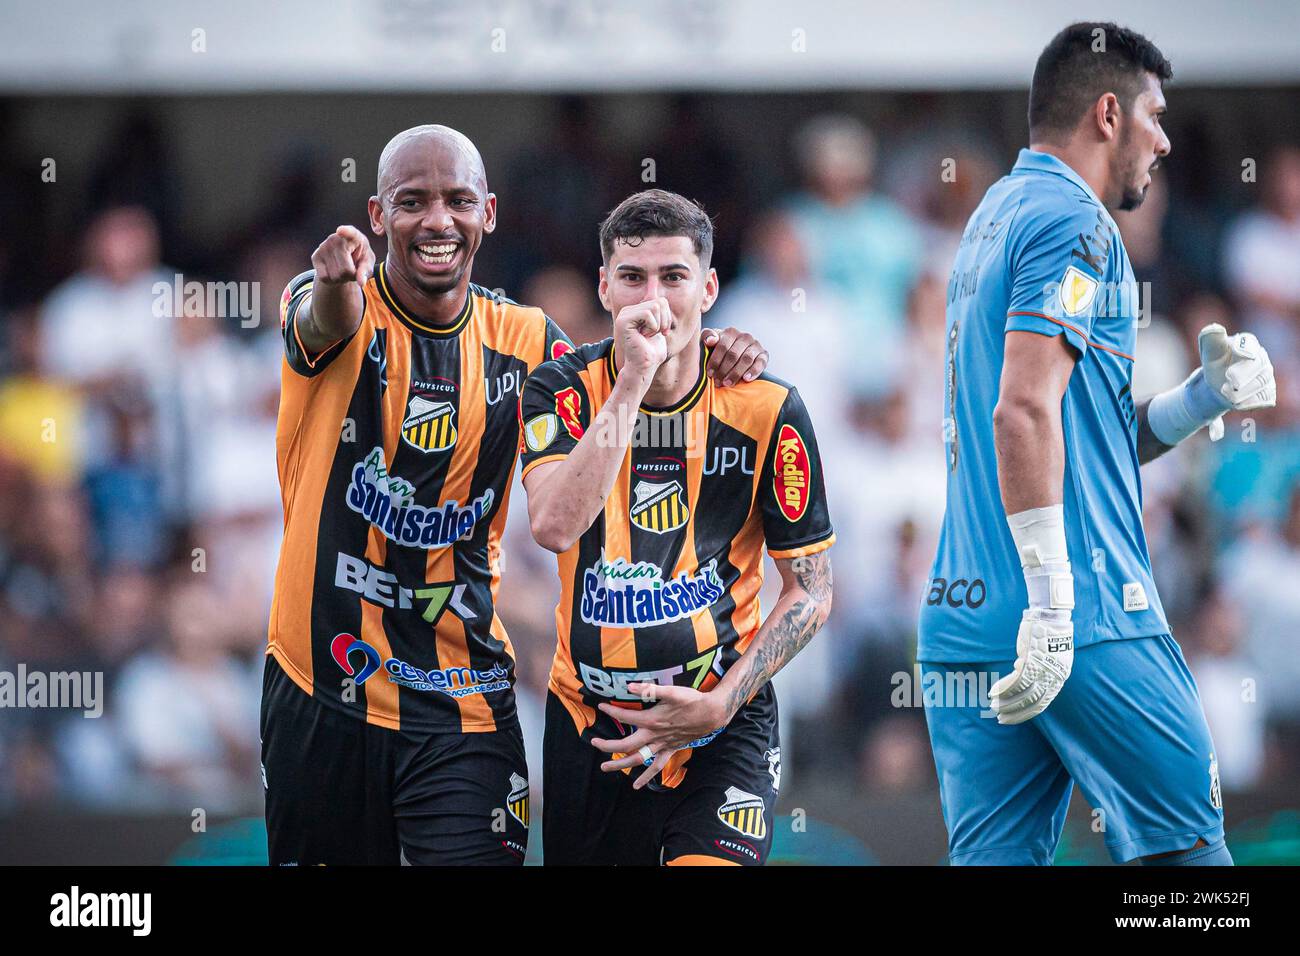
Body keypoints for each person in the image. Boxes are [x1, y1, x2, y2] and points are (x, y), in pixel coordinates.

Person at [261, 127, 767, 865]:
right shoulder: (336, 300)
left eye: (458, 200)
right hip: (322, 688)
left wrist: (713, 348)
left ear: (488, 214)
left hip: (461, 698)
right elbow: (320, 317)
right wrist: (337, 280)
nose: (437, 220)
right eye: (412, 202)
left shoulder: (529, 341)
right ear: (376, 216)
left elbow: (629, 384)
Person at [918, 23, 1276, 866]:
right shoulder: (1077, 227)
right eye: (1155, 114)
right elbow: (1023, 415)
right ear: (1108, 114)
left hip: (966, 617)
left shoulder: (993, 217)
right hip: (1086, 612)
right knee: (1190, 869)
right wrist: (1052, 606)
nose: (1165, 138)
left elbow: (1075, 433)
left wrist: (1200, 399)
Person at [518, 189, 834, 865]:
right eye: (633, 277)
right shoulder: (560, 389)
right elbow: (553, 526)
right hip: (591, 724)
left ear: (709, 287)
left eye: (674, 276)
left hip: (722, 722)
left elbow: (810, 590)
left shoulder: (768, 407)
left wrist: (720, 705)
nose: (653, 297)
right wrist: (632, 381)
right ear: (604, 286)